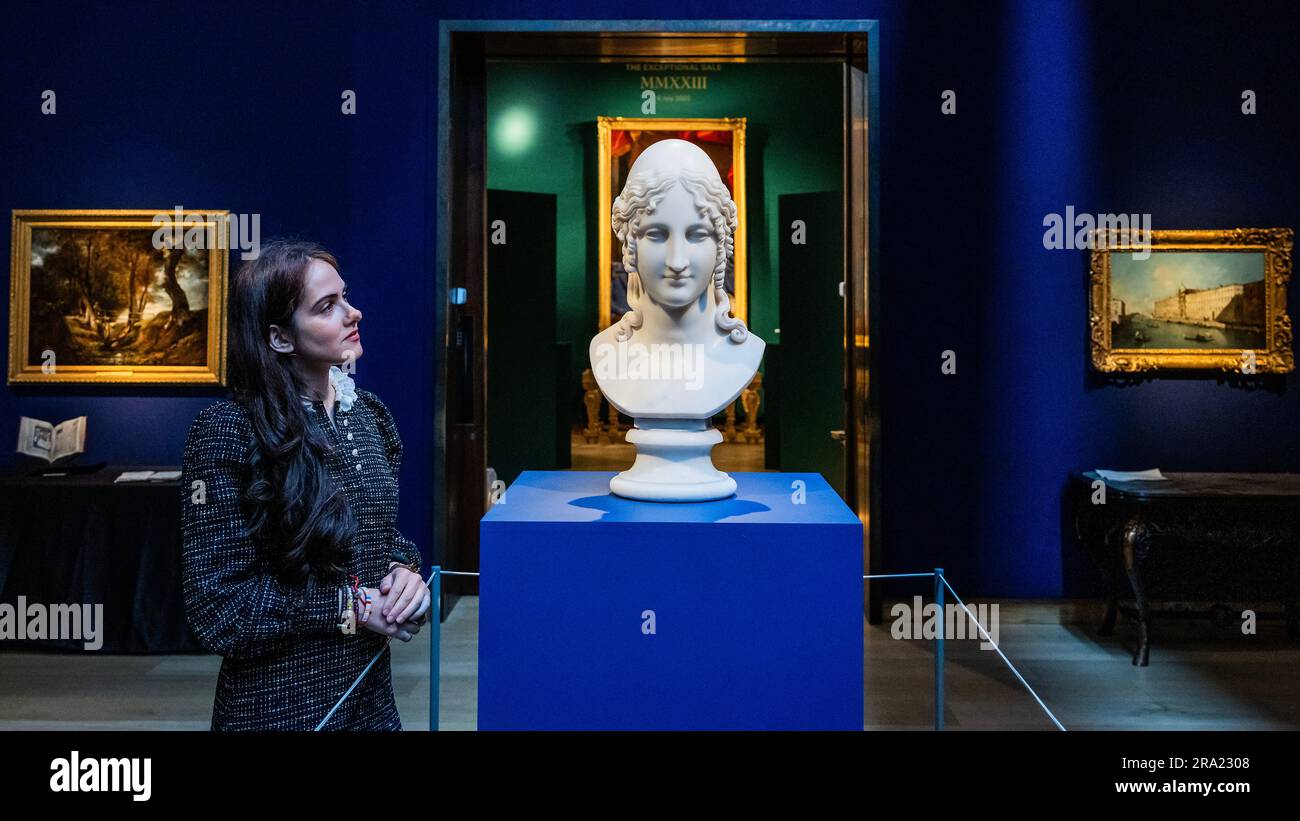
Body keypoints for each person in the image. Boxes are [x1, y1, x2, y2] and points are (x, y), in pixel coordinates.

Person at [180, 239, 431, 730]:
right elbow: (217, 606)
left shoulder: (370, 415)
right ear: (279, 338)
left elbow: (376, 535)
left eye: (346, 297)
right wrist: (352, 606)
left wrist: (405, 573)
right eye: (327, 306)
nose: (353, 313)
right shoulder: (227, 431)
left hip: (370, 702)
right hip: (277, 708)